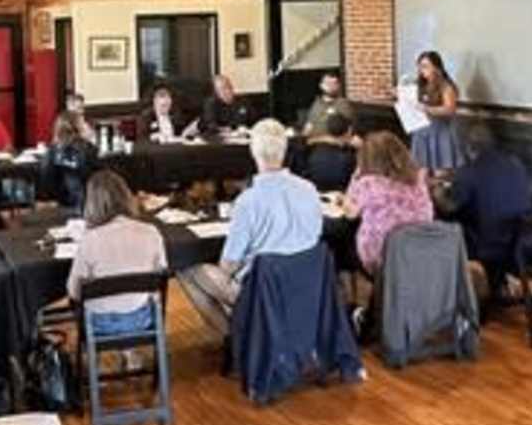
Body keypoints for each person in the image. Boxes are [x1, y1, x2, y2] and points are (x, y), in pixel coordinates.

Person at [178, 118, 323, 326]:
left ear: (253, 152)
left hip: (262, 291)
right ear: (284, 150)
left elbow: (228, 265)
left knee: (188, 270)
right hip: (304, 284)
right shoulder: (309, 190)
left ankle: (236, 337)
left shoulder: (248, 201)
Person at [66, 170, 166, 336]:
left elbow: (74, 291)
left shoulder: (89, 240)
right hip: (141, 318)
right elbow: (160, 275)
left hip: (100, 324)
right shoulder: (151, 232)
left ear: (91, 203)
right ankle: (129, 354)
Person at [445, 121, 532, 298]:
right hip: (526, 244)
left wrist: (438, 191)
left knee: (447, 227)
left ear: (469, 148)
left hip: (491, 249)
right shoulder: (515, 164)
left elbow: (452, 208)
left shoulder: (469, 172)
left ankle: (461, 294)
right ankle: (499, 282)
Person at [343, 132, 434, 275]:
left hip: (380, 257)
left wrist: (354, 177)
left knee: (342, 242)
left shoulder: (369, 183)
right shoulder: (419, 179)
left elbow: (350, 213)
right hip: (418, 252)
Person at [410, 50, 464, 173]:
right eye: (420, 67)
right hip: (422, 132)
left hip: (440, 133)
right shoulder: (421, 84)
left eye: (425, 66)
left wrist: (427, 109)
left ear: (437, 67)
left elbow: (449, 109)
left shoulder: (446, 86)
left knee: (440, 174)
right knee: (421, 173)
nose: (422, 70)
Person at [44, 111, 99, 208]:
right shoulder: (88, 149)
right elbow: (96, 177)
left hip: (61, 201)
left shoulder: (52, 150)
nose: (87, 126)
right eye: (84, 123)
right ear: (78, 128)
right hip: (87, 201)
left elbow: (46, 175)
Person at [305, 110, 358, 192]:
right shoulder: (350, 158)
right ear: (348, 132)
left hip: (314, 193)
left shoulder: (312, 150)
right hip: (338, 196)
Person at [304, 70, 355, 138]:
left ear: (338, 86)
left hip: (333, 143)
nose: (331, 87)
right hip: (314, 142)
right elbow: (308, 127)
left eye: (335, 83)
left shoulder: (343, 104)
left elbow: (349, 129)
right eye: (328, 83)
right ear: (321, 86)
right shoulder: (316, 104)